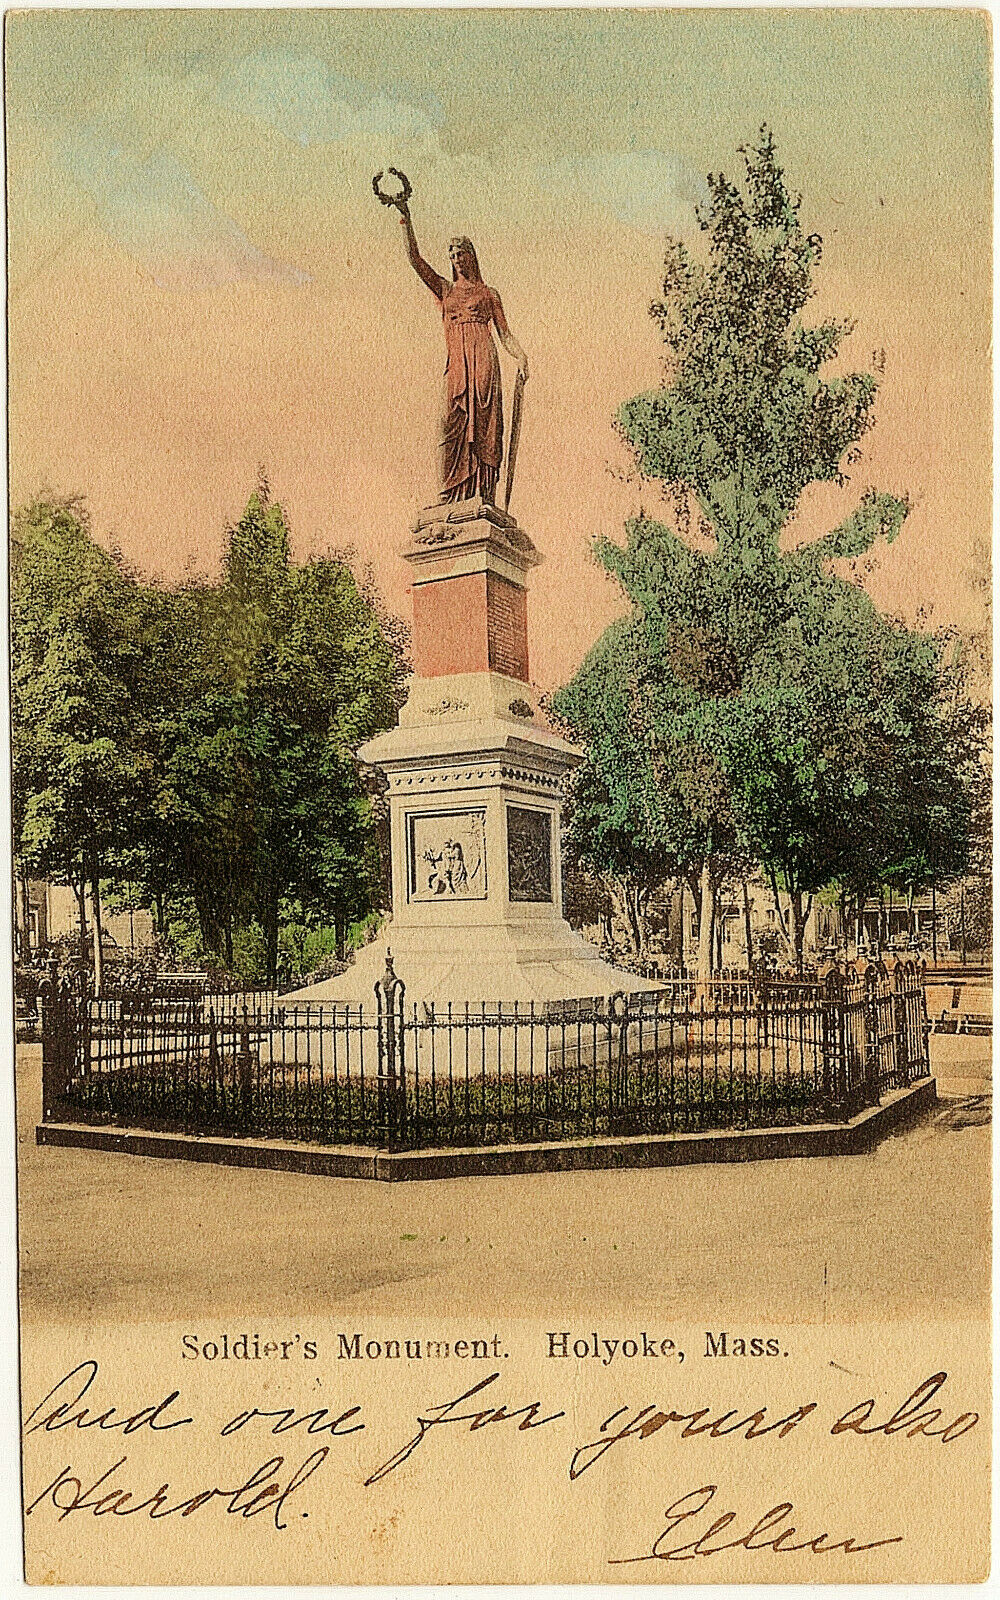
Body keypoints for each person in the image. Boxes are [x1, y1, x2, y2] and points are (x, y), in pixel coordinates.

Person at [398, 202, 529, 503]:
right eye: (452, 255)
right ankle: (450, 494)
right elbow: (415, 260)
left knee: (484, 426)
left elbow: (505, 334)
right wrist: (405, 217)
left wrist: (521, 356)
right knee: (450, 423)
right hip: (457, 364)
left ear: (472, 256)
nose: (457, 259)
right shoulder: (445, 290)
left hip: (483, 359)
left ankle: (482, 495)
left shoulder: (488, 293)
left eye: (461, 253)